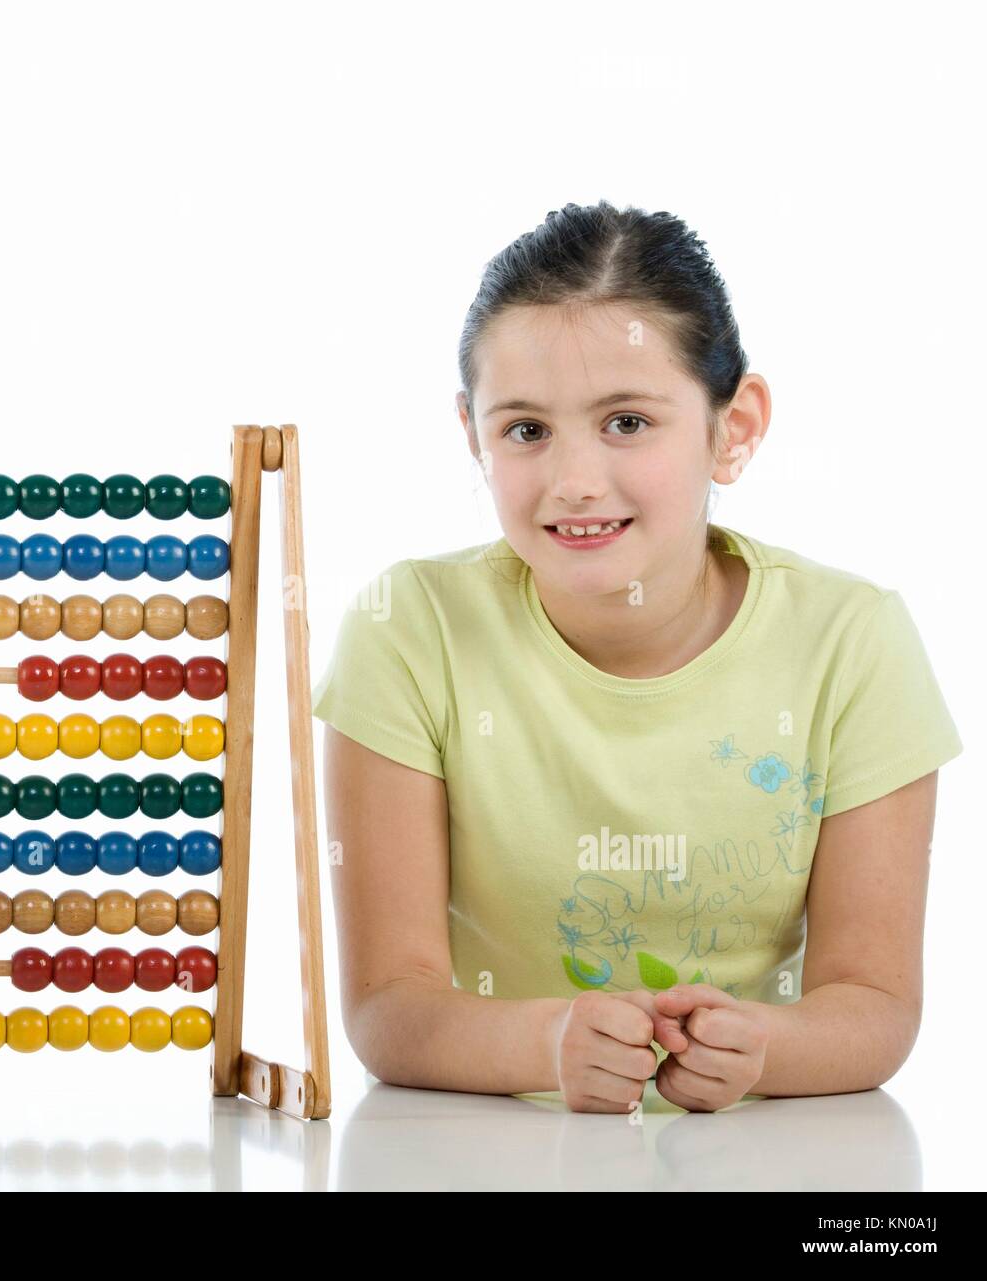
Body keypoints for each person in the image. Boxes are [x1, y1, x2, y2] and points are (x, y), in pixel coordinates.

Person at [310, 200, 963, 1113]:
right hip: (488, 1158)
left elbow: (875, 1003)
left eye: (626, 422)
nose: (575, 480)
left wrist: (762, 1050)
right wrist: (548, 1041)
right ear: (473, 436)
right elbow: (389, 1003)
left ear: (732, 428)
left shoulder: (853, 643)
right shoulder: (407, 629)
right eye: (526, 430)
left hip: (759, 1160)